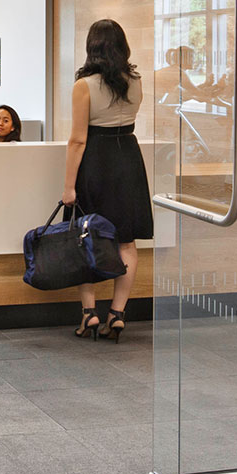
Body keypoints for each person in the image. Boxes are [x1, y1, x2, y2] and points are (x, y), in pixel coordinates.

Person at [62, 19, 153, 340]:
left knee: (83, 236)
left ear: (92, 47)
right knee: (126, 242)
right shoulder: (136, 81)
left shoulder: (84, 85)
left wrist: (69, 186)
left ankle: (89, 313)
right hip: (128, 158)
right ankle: (117, 313)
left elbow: (77, 140)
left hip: (96, 162)